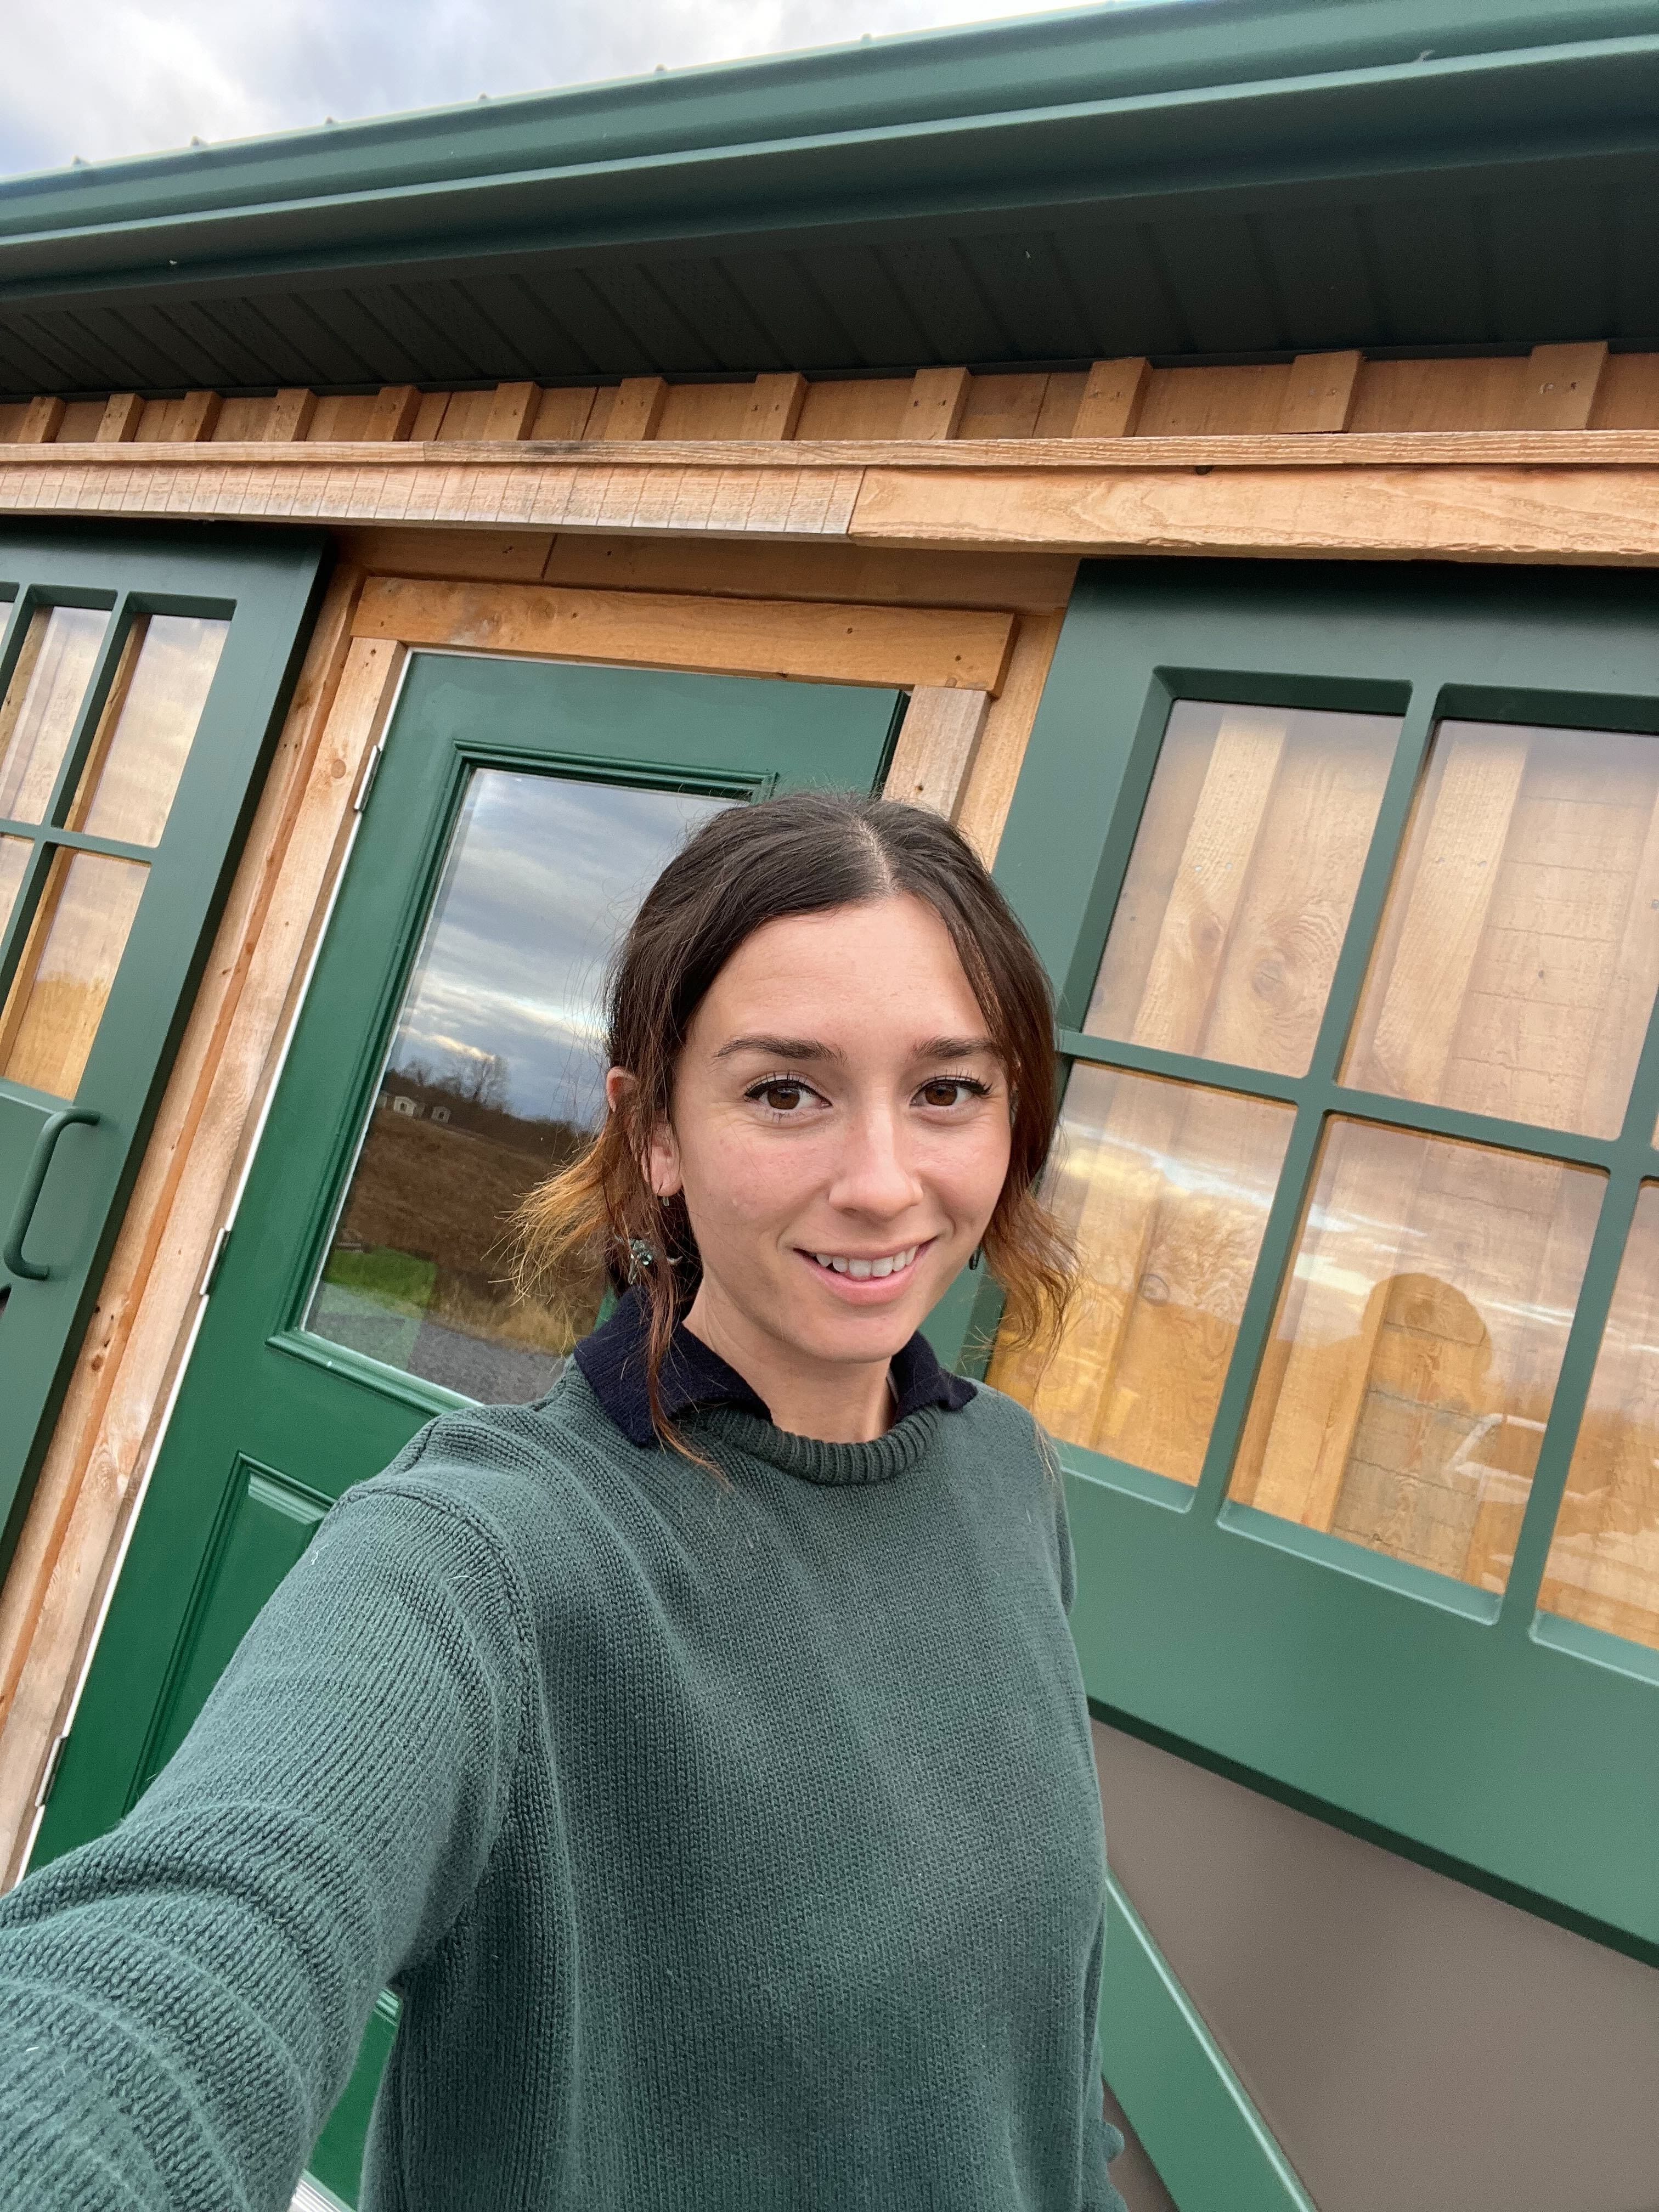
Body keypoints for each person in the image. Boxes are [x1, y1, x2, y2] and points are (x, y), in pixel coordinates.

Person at [0, 791, 1126, 2212]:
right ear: (655, 1133)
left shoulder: (1005, 1475)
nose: (882, 1182)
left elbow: (1032, 2052)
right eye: (786, 1092)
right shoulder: (486, 1560)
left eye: (947, 1091)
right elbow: (190, 1947)